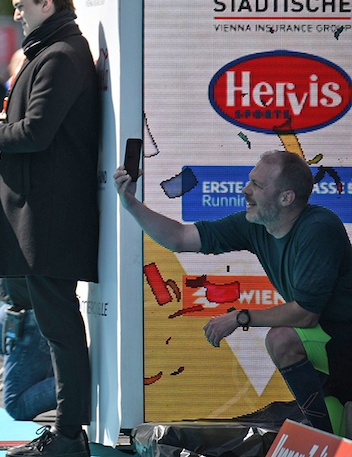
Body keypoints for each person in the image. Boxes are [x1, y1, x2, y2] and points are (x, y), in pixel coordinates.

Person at [0, 0, 100, 457]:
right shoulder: (56, 51)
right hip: (43, 211)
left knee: (61, 329)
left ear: (48, 3)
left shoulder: (61, 54)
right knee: (56, 327)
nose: (17, 16)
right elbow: (38, 125)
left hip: (50, 215)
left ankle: (68, 435)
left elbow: (36, 133)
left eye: (22, 6)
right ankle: (68, 432)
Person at [114, 150, 352, 435]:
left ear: (286, 198)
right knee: (335, 438)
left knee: (282, 338)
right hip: (330, 345)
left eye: (258, 186)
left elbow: (305, 314)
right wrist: (130, 203)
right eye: (249, 181)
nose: (245, 190)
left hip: (341, 343)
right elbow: (179, 237)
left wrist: (240, 317)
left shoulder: (318, 228)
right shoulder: (256, 225)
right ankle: (325, 441)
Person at [0, 281, 58, 422]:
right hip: (17, 296)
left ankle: (80, 385)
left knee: (16, 406)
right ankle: (59, 376)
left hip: (31, 302)